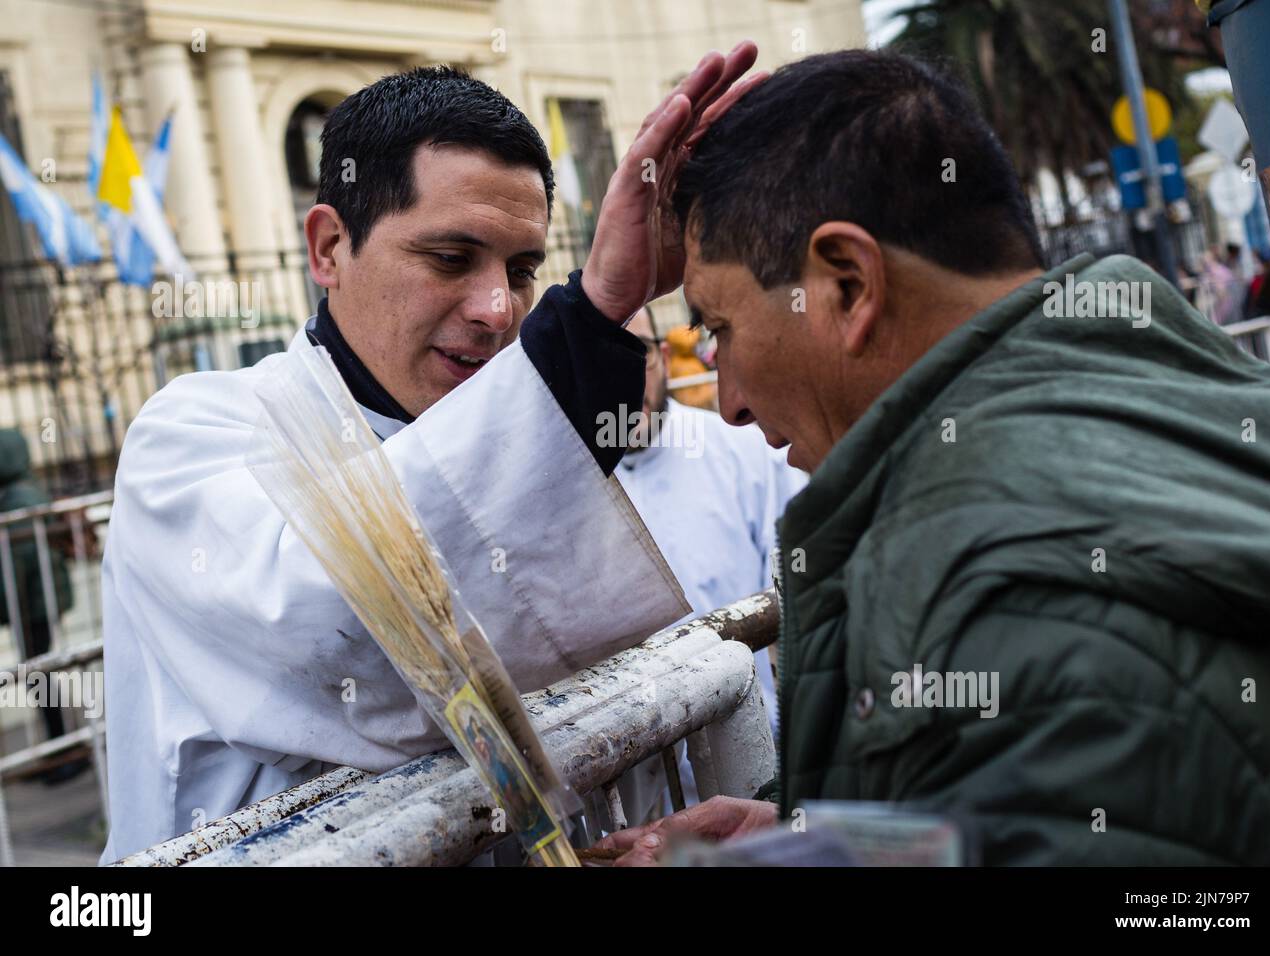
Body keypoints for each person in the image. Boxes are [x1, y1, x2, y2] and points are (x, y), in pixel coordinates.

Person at [602, 49, 1270, 865]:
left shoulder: (999, 598)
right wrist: (823, 834)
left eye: (720, 330)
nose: (731, 401)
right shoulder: (1230, 413)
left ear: (849, 285)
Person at [99, 45, 764, 862]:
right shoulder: (197, 439)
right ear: (328, 248)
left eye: (523, 271)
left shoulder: (527, 431)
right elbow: (352, 626)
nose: (497, 310)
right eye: (450, 259)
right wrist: (589, 322)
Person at [617, 306, 805, 732]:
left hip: (750, 753)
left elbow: (807, 596)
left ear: (663, 357)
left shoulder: (746, 452)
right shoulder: (559, 479)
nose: (620, 381)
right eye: (598, 359)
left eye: (636, 353)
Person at [0, 428, 83, 783]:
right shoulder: (23, 490)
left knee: (38, 674)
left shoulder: (17, 497)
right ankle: (59, 748)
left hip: (32, 605)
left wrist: (9, 607)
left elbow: (18, 564)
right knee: (40, 672)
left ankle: (65, 750)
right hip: (37, 601)